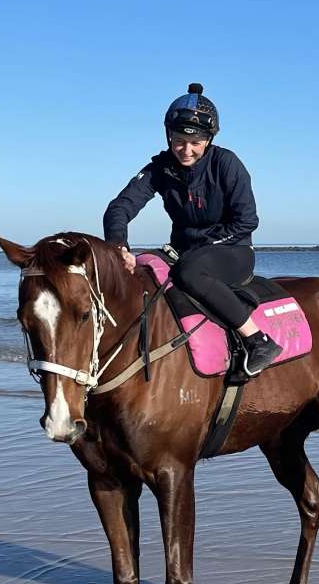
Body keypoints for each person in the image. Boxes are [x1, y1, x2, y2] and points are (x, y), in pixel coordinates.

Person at [103, 83, 283, 377]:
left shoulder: (227, 164)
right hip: (185, 252)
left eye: (195, 142)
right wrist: (118, 246)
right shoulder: (160, 168)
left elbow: (246, 221)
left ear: (208, 140)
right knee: (145, 269)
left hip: (233, 250)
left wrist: (204, 246)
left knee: (189, 272)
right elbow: (119, 208)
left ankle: (257, 340)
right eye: (178, 141)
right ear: (169, 136)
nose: (186, 150)